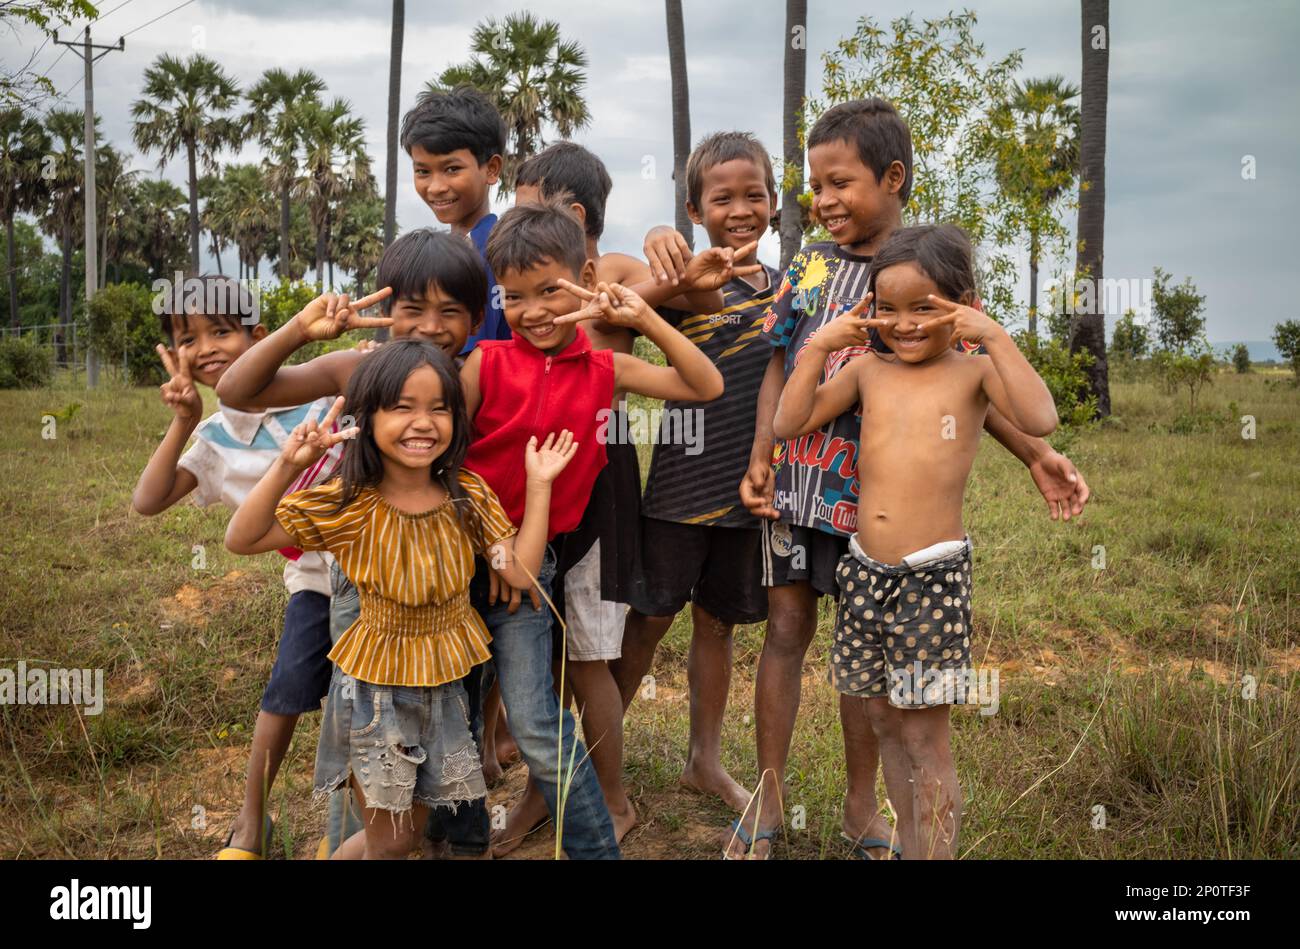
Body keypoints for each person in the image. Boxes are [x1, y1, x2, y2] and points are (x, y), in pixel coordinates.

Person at [727, 98, 1092, 860]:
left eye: (841, 183)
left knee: (880, 682)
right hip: (797, 481)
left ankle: (866, 812)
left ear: (893, 179)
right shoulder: (811, 265)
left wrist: (1034, 454)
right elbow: (780, 365)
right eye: (815, 188)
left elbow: (968, 391)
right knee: (790, 629)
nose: (824, 201)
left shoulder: (928, 270)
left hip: (870, 506)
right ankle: (767, 802)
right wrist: (763, 450)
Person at [224, 339, 578, 858]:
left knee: (407, 836)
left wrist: (539, 485)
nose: (423, 422)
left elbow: (518, 573)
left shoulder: (468, 494)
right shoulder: (350, 500)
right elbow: (243, 538)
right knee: (391, 843)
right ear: (368, 419)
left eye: (439, 408)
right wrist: (285, 466)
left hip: (447, 689)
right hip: (375, 694)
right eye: (402, 407)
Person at [773, 223, 1057, 857]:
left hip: (931, 577)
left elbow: (1041, 418)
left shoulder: (974, 374)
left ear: (963, 306)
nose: (903, 325)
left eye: (923, 309)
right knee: (879, 717)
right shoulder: (868, 372)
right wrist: (820, 346)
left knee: (925, 735)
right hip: (865, 572)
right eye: (887, 309)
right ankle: (909, 844)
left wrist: (994, 336)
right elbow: (788, 423)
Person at [461, 198, 730, 851]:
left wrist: (644, 317)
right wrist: (490, 548)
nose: (535, 311)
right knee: (462, 690)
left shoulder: (604, 369)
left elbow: (704, 386)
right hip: (475, 554)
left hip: (551, 554)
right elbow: (450, 461)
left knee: (575, 671)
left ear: (587, 273)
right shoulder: (485, 364)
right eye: (515, 297)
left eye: (551, 290)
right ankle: (453, 820)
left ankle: (600, 807)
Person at [131, 275, 344, 859]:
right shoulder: (213, 439)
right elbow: (148, 500)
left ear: (260, 337)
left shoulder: (317, 398)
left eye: (221, 331)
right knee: (285, 692)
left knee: (361, 696)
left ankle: (350, 826)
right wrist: (182, 420)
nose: (206, 348)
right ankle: (251, 822)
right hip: (311, 580)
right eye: (188, 338)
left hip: (371, 572)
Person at [612, 132, 781, 813]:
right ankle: (587, 756)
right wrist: (661, 239)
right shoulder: (683, 290)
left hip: (754, 490)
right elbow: (619, 288)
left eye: (755, 195)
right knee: (647, 621)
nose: (740, 209)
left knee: (720, 624)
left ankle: (703, 761)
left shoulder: (788, 288)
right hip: (680, 490)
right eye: (722, 197)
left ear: (774, 202)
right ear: (694, 207)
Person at [400, 85, 510, 352]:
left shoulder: (503, 250)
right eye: (423, 171)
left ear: (492, 169)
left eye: (452, 169)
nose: (436, 186)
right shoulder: (439, 254)